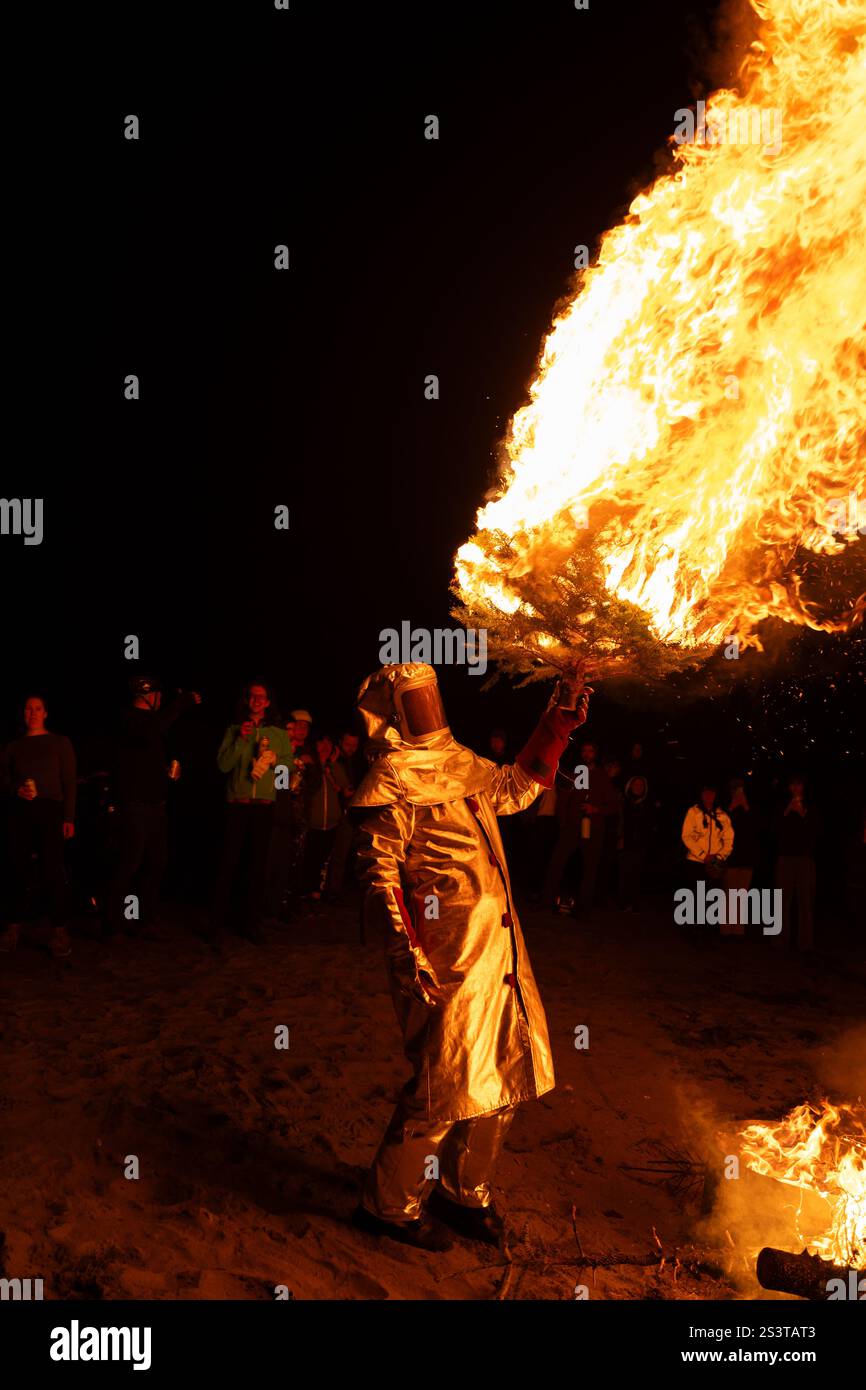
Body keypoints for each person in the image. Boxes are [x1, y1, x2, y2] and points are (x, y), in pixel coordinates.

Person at [350, 660, 590, 1251]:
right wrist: (411, 957)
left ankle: (463, 1192)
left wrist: (556, 723)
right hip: (446, 955)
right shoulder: (392, 784)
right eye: (416, 699)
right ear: (393, 712)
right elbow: (379, 879)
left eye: (432, 694)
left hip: (501, 949)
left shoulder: (462, 764)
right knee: (444, 1081)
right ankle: (389, 1205)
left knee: (506, 1071)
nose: (430, 707)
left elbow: (516, 787)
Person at [106, 675, 201, 939]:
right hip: (134, 805)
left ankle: (145, 919)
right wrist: (180, 705)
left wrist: (168, 772)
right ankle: (113, 922)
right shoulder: (129, 719)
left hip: (156, 805)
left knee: (157, 862)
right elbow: (150, 731)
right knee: (129, 864)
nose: (163, 701)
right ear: (151, 696)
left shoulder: (153, 724)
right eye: (161, 696)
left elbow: (146, 756)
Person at [211, 682, 293, 944]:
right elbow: (223, 766)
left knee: (257, 866)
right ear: (247, 701)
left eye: (262, 697)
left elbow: (287, 770)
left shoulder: (278, 733)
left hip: (264, 808)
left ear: (268, 702)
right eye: (253, 696)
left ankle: (251, 925)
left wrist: (274, 762)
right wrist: (241, 741)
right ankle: (216, 924)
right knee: (228, 864)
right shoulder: (235, 729)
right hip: (239, 804)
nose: (257, 700)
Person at [0, 695, 76, 957]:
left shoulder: (59, 743)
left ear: (45, 713)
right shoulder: (13, 747)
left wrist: (69, 818)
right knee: (17, 869)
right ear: (23, 714)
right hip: (21, 812)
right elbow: (3, 780)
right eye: (28, 708)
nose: (33, 712)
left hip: (50, 810)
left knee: (53, 870)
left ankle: (59, 930)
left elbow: (69, 782)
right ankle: (12, 929)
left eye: (38, 708)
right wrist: (15, 790)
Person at [543, 739, 618, 916]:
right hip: (573, 827)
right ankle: (546, 901)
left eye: (590, 751)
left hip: (594, 828)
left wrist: (596, 809)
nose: (586, 754)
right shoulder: (577, 773)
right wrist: (563, 822)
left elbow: (613, 806)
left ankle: (584, 908)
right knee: (557, 861)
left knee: (590, 868)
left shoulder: (602, 776)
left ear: (595, 754)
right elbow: (565, 799)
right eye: (584, 751)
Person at [300, 731, 351, 899]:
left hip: (331, 823)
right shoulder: (308, 763)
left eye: (329, 744)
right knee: (309, 858)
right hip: (312, 822)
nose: (325, 747)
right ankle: (303, 891)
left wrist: (334, 764)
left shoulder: (332, 766)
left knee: (324, 859)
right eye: (321, 743)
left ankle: (317, 893)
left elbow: (345, 787)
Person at [322, 729, 366, 900]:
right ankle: (325, 890)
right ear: (340, 742)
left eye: (354, 745)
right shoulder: (334, 760)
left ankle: (334, 888)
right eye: (348, 744)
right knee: (332, 853)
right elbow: (344, 788)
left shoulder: (355, 761)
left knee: (342, 853)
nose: (351, 748)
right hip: (333, 812)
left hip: (347, 813)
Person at [776, 775, 817, 952]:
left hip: (804, 859)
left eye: (798, 785)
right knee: (782, 902)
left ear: (803, 787)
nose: (795, 788)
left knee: (805, 903)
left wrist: (802, 813)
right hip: (785, 858)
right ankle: (780, 940)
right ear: (789, 788)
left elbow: (816, 831)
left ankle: (805, 943)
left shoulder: (811, 807)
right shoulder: (780, 806)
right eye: (793, 785)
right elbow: (774, 830)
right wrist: (787, 811)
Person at [681, 781, 734, 898]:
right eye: (705, 793)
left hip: (716, 863)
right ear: (701, 794)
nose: (708, 796)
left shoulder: (723, 815)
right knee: (696, 896)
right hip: (696, 862)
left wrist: (720, 856)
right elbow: (686, 836)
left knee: (713, 896)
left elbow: (729, 839)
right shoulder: (693, 812)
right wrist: (703, 855)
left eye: (711, 793)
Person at [723, 778, 759, 937]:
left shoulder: (751, 809)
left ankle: (738, 931)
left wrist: (745, 806)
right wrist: (731, 807)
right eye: (734, 789)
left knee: (741, 897)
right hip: (730, 859)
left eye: (740, 789)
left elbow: (756, 829)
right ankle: (726, 930)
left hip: (746, 859)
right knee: (728, 895)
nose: (737, 792)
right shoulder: (726, 809)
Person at [618, 774, 653, 912]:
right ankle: (622, 902)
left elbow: (649, 825)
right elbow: (620, 822)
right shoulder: (623, 802)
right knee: (624, 873)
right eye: (636, 784)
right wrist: (620, 838)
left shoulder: (647, 804)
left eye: (641, 785)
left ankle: (634, 903)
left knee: (636, 874)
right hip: (625, 843)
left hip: (640, 844)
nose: (638, 787)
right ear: (630, 786)